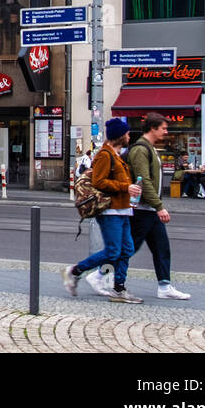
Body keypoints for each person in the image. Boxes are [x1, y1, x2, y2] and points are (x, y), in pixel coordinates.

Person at [98, 112, 190, 300]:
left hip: (148, 209)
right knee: (127, 248)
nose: (165, 132)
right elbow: (144, 181)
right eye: (163, 128)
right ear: (153, 128)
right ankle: (99, 275)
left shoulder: (149, 148)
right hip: (141, 208)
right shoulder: (140, 150)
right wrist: (159, 206)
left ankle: (164, 286)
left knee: (160, 247)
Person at [62, 118, 143, 303]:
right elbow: (99, 181)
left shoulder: (116, 155)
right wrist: (126, 187)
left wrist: (130, 190)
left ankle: (119, 289)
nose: (129, 136)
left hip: (122, 210)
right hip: (110, 211)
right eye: (127, 133)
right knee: (113, 251)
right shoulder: (104, 155)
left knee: (126, 249)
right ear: (120, 136)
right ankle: (75, 271)